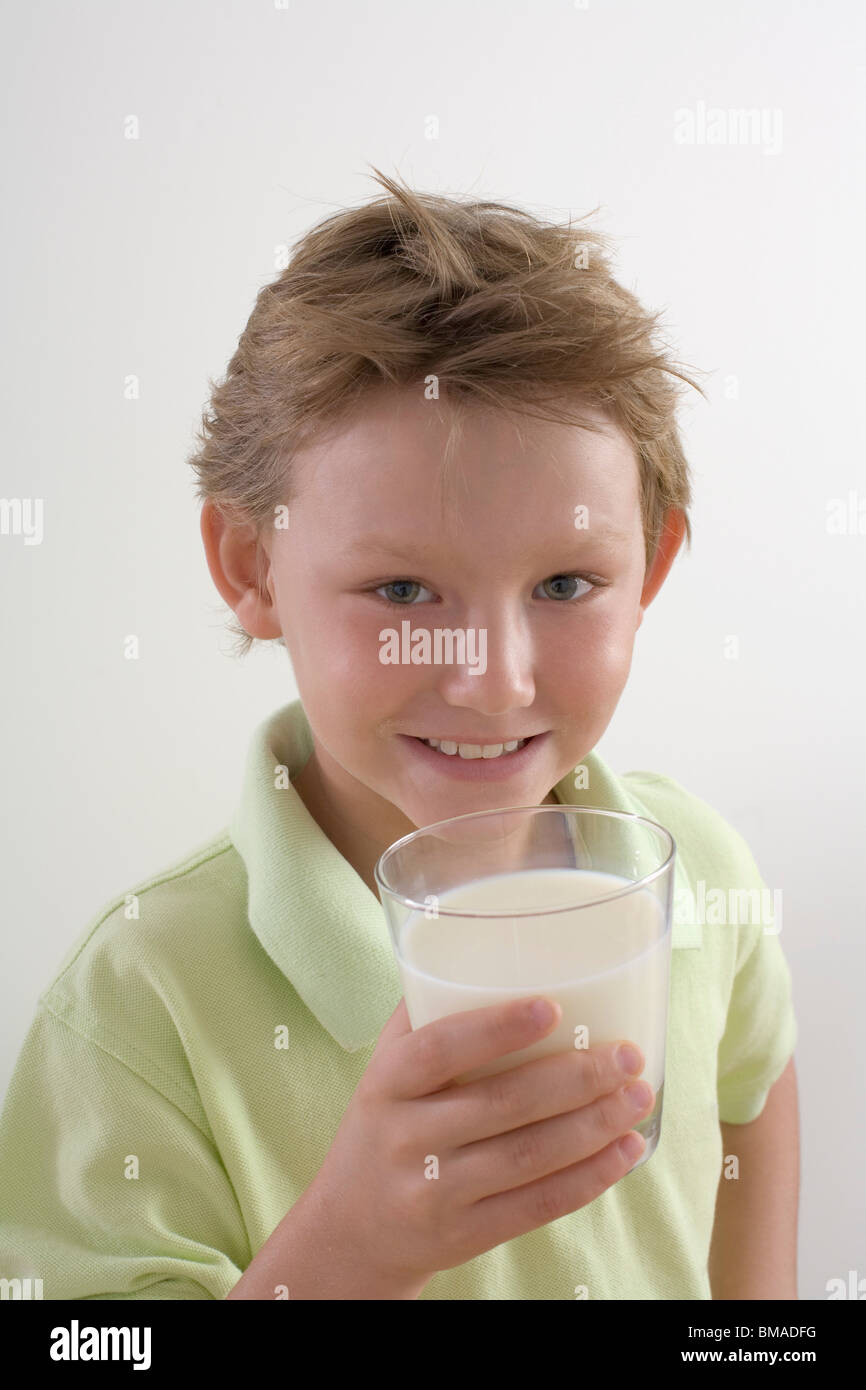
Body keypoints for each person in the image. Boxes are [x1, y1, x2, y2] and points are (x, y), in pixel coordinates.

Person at [0, 169, 798, 1300]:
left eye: (565, 581)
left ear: (651, 566)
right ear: (252, 566)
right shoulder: (135, 1010)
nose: (488, 680)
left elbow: (749, 1090)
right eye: (404, 591)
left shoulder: (694, 869)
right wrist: (349, 1251)